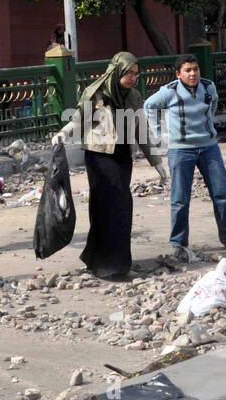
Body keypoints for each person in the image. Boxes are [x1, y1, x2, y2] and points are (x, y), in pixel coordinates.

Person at [54, 52, 167, 279]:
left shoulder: (133, 96)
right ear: (116, 71)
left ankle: (102, 260)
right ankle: (110, 266)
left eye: (136, 74)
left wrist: (157, 162)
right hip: (100, 156)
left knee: (117, 207)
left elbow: (141, 130)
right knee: (111, 206)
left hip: (123, 157)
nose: (133, 78)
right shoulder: (96, 93)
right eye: (128, 73)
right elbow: (79, 119)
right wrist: (63, 133)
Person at [144, 54, 226, 260]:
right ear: (178, 74)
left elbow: (213, 105)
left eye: (195, 69)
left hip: (209, 148)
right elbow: (148, 106)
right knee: (180, 199)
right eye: (188, 70)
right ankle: (179, 244)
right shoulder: (169, 92)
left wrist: (208, 127)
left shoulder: (208, 87)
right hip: (181, 150)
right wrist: (160, 133)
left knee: (222, 194)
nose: (193, 73)